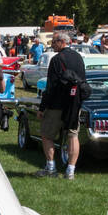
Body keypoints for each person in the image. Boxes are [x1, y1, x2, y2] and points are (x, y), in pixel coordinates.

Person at [36, 32, 86, 178]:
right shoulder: (78, 58)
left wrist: (42, 107)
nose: (52, 44)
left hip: (56, 104)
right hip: (74, 103)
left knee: (46, 135)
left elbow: (51, 86)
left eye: (54, 41)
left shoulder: (57, 59)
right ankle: (70, 171)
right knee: (72, 136)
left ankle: (50, 168)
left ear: (62, 42)